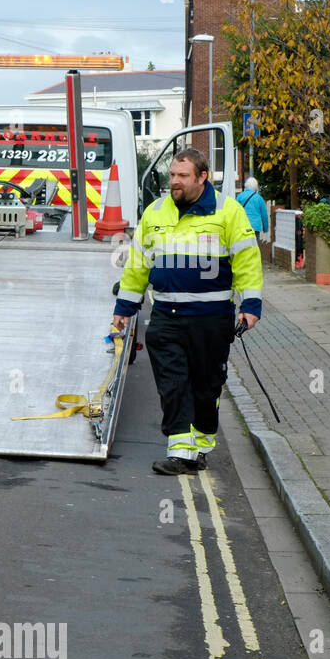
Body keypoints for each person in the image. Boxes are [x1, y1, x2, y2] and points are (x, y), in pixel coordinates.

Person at [111, 147, 262, 475]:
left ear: (202, 177)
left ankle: (201, 446)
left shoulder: (228, 212)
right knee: (172, 382)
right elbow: (138, 264)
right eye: (172, 176)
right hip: (166, 316)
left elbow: (247, 260)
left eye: (182, 176)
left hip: (212, 318)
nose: (175, 183)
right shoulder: (155, 212)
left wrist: (251, 306)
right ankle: (180, 451)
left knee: (206, 387)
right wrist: (124, 307)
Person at [237, 176, 270, 242]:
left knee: (243, 247)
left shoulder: (240, 196)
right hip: (255, 227)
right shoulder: (259, 198)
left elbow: (235, 211)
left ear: (246, 185)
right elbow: (264, 215)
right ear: (256, 186)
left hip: (242, 226)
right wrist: (265, 228)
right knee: (254, 247)